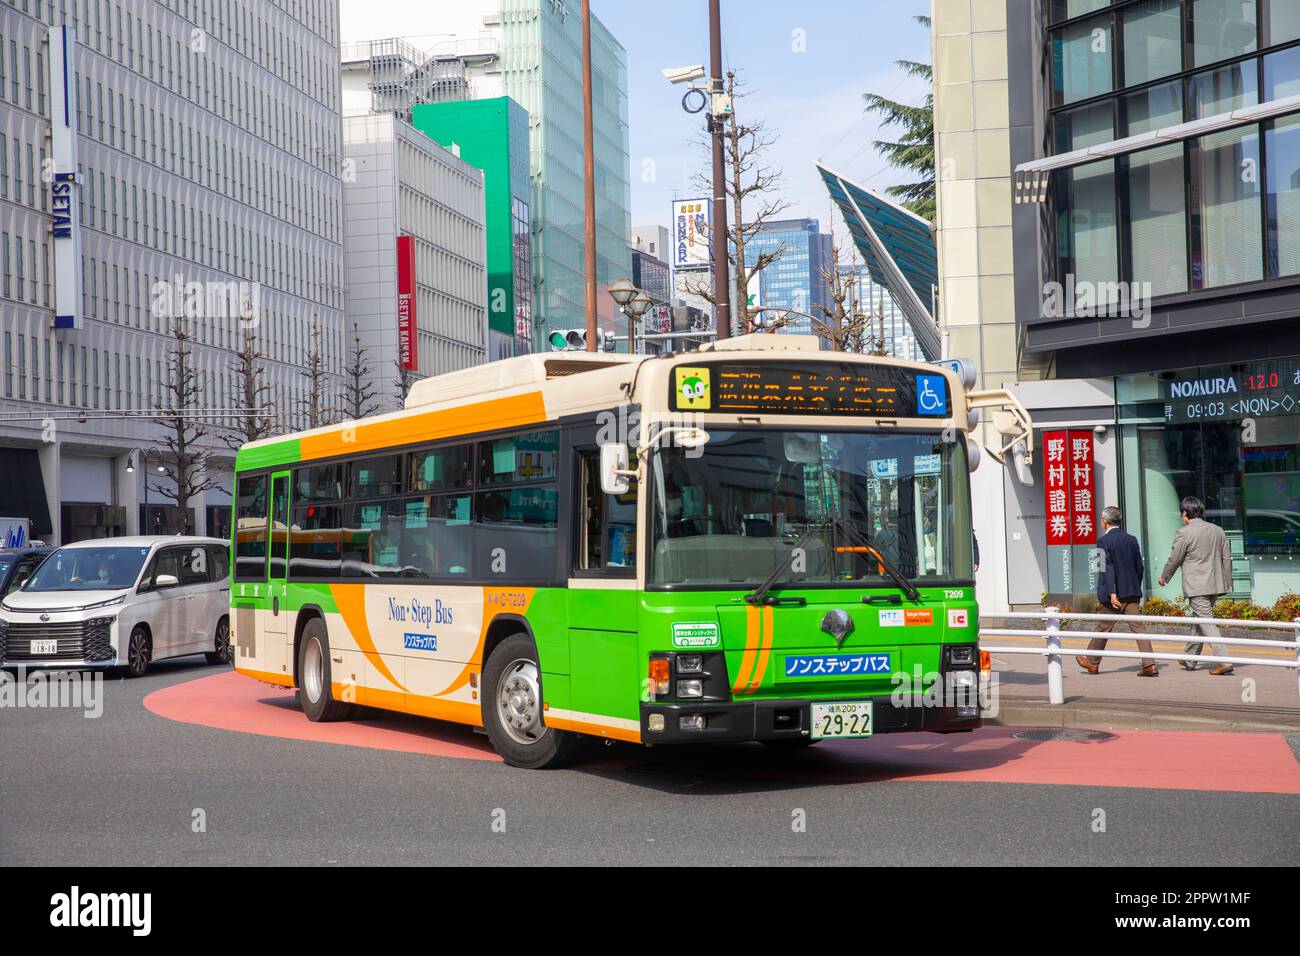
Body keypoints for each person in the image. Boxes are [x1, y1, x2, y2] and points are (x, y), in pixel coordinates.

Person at [1157, 495, 1234, 675]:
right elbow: (1226, 559)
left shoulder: (1185, 533)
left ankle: (1223, 660)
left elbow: (1175, 558)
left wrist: (1164, 576)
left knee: (1206, 622)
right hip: (1215, 584)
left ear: (1185, 514)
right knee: (1199, 620)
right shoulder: (1218, 530)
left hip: (1197, 586)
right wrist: (1226, 582)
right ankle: (1190, 658)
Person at [1076, 506, 1157, 676]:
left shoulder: (1103, 542)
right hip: (1132, 591)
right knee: (1138, 627)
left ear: (1105, 521)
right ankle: (1149, 665)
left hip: (1114, 594)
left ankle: (1092, 662)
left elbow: (1107, 568)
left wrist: (1112, 593)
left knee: (1103, 627)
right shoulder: (1132, 539)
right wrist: (1136, 587)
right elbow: (1139, 567)